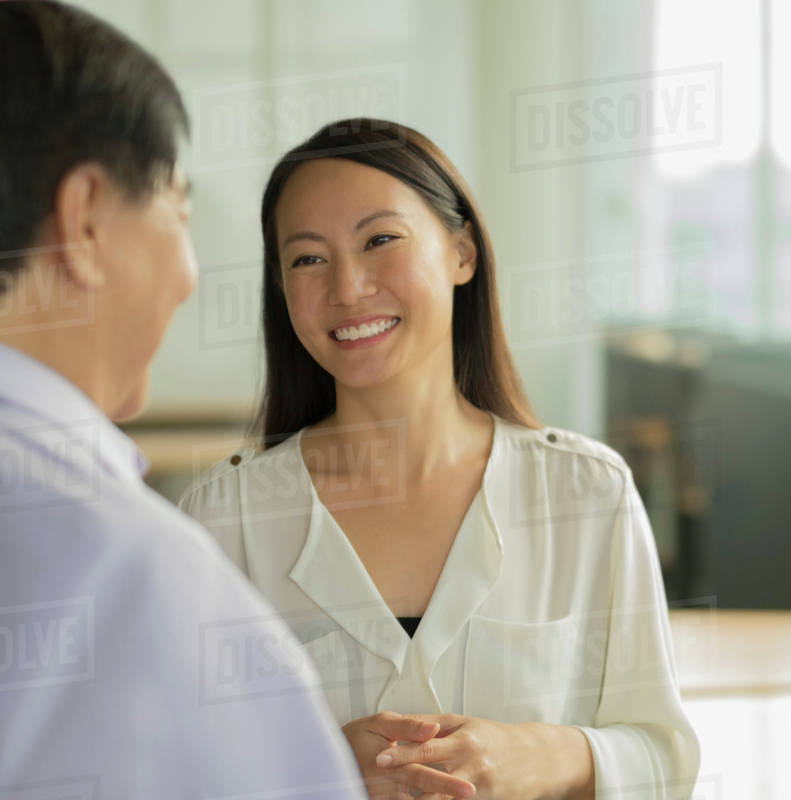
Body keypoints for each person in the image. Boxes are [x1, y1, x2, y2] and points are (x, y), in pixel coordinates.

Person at [178, 118, 700, 800]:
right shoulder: (223, 521)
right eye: (308, 258)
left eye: (379, 240)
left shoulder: (584, 493)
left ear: (462, 253)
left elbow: (665, 757)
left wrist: (544, 754)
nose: (347, 286)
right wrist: (316, 768)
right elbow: (170, 770)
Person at [0, 3, 382, 797]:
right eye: (179, 210)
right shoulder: (125, 568)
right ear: (86, 221)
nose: (189, 271)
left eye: (380, 242)